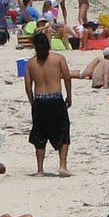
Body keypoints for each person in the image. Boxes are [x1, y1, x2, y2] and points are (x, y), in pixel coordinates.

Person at [23, 31, 72, 177]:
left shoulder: (31, 63)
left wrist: (33, 101)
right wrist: (69, 96)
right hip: (56, 98)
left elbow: (27, 86)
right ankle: (62, 166)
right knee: (63, 130)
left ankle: (40, 170)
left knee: (40, 134)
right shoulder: (58, 58)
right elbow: (67, 78)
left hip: (40, 100)